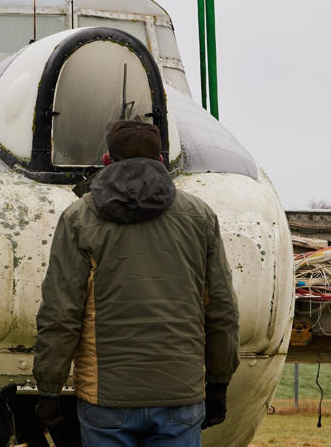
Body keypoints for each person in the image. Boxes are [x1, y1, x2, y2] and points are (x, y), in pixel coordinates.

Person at [32, 119, 240, 447]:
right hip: (179, 394)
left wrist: (49, 389)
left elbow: (60, 314)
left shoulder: (78, 218)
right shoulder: (200, 217)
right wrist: (218, 383)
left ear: (106, 161)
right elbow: (222, 311)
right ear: (160, 161)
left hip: (106, 400)